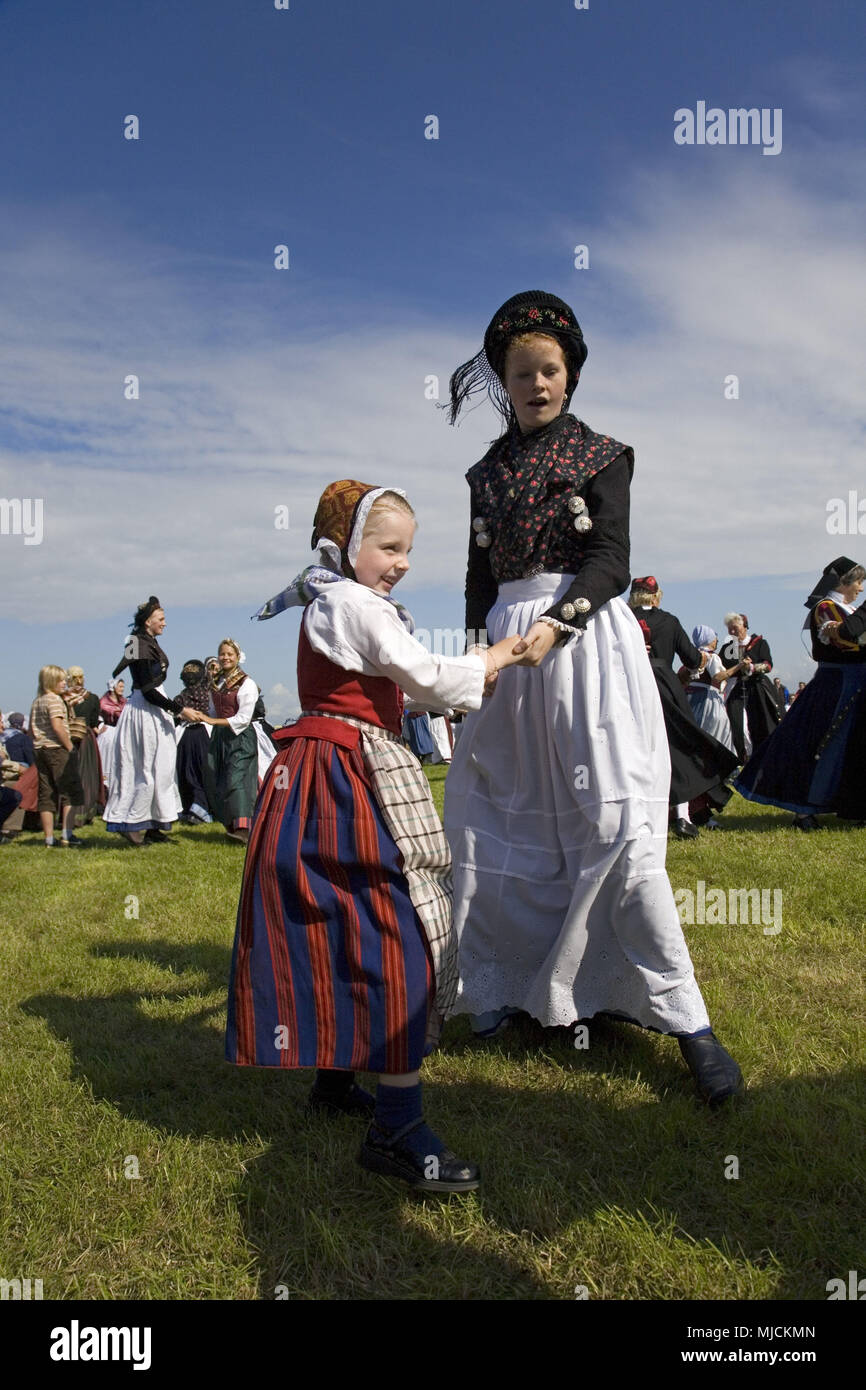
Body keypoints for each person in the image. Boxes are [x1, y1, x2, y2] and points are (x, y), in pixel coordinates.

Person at [443, 288, 743, 1105]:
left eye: (550, 369)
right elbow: (479, 577)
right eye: (521, 372)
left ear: (570, 374)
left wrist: (561, 625)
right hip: (509, 653)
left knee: (615, 824)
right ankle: (500, 987)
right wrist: (479, 655)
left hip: (585, 646)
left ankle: (687, 1021)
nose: (537, 383)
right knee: (496, 816)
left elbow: (611, 557)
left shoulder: (604, 454)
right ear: (503, 382)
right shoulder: (485, 474)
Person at [226, 479, 525, 1192]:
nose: (402, 562)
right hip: (349, 772)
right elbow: (424, 678)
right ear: (346, 544)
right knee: (399, 935)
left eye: (408, 550)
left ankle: (333, 1082)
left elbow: (404, 681)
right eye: (388, 547)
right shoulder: (353, 602)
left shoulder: (332, 599)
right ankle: (397, 1125)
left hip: (320, 769)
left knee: (336, 923)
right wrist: (495, 658)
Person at [735, 557, 866, 828]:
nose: (861, 588)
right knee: (817, 744)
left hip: (855, 684)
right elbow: (845, 640)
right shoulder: (826, 608)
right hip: (835, 686)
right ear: (844, 582)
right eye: (859, 582)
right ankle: (803, 809)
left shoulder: (847, 609)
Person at [628, 578, 737, 838]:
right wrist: (704, 659)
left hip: (628, 683)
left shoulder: (621, 618)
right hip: (664, 685)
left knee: (631, 749)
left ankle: (635, 814)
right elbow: (691, 658)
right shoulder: (669, 620)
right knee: (679, 747)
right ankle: (683, 816)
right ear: (655, 597)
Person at [103, 597, 198, 847]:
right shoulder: (139, 642)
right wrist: (180, 710)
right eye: (161, 619)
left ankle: (155, 824)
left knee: (162, 767)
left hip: (153, 708)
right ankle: (132, 823)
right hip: (145, 710)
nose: (165, 623)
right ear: (148, 621)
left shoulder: (144, 641)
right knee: (143, 768)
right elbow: (146, 687)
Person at [188, 639, 260, 844]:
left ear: (238, 657)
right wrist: (200, 715)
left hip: (240, 737)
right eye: (222, 654)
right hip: (220, 736)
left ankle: (244, 827)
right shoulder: (217, 683)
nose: (225, 657)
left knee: (236, 779)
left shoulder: (247, 683)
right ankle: (230, 825)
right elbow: (212, 709)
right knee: (215, 777)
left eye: (230, 654)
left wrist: (212, 720)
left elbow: (243, 719)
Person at [29, 666, 84, 847]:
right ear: (51, 681)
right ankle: (67, 834)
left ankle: (49, 838)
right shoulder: (54, 700)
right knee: (70, 791)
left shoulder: (37, 701)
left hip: (40, 749)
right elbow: (57, 726)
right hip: (57, 749)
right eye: (61, 680)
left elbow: (31, 730)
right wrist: (69, 747)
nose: (64, 683)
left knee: (46, 793)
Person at [717, 613, 781, 763]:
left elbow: (768, 665)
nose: (732, 632)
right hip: (735, 689)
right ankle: (741, 758)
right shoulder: (727, 647)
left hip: (757, 687)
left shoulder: (759, 643)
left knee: (762, 722)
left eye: (735, 628)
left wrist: (752, 667)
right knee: (736, 725)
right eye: (729, 629)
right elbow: (722, 668)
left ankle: (764, 757)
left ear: (745, 626)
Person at [174, 659, 214, 824]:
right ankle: (201, 808)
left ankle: (190, 806)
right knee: (204, 771)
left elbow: (174, 715)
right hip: (204, 733)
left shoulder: (180, 698)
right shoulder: (209, 696)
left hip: (183, 736)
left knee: (185, 771)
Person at [64, 667, 105, 823]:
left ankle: (67, 813)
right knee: (88, 775)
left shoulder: (63, 698)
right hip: (86, 738)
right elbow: (94, 722)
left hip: (67, 736)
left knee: (70, 774)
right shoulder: (92, 698)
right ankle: (86, 811)